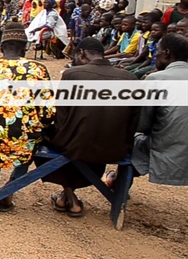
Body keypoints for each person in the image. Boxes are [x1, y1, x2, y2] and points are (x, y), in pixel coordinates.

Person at [37, 38, 138, 217]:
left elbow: (61, 117)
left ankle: (68, 195)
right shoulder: (130, 77)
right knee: (82, 141)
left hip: (75, 146)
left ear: (81, 53)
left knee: (48, 138)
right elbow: (133, 120)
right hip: (113, 149)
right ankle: (67, 196)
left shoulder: (72, 75)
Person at [0, 22, 55, 209]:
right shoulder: (38, 70)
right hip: (25, 136)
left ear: (1, 47)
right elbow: (48, 112)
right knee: (37, 139)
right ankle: (10, 187)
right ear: (24, 48)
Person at [113, 34, 188, 187]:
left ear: (166, 53)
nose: (155, 55)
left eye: (157, 51)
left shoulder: (158, 79)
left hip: (170, 147)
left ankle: (119, 185)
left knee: (132, 142)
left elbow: (142, 124)